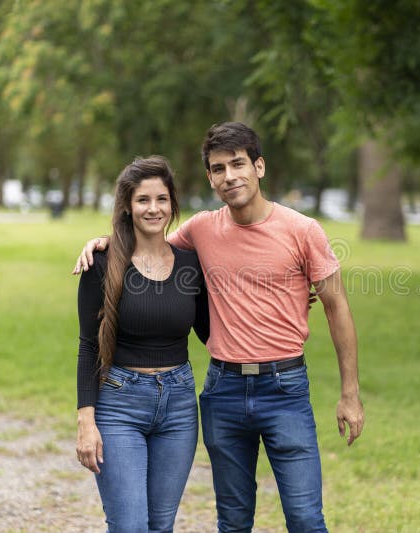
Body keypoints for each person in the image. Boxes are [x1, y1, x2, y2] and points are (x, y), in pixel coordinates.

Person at [74, 122, 364, 533]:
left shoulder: (303, 230)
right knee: (231, 522)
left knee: (304, 517)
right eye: (218, 168)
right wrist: (102, 243)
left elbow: (338, 308)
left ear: (259, 167)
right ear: (210, 177)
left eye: (239, 164)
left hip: (285, 389)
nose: (230, 176)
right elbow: (147, 242)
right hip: (223, 392)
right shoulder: (201, 230)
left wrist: (350, 394)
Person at [75, 156, 209, 532]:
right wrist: (86, 420)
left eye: (162, 199)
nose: (154, 208)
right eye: (143, 200)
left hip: (179, 407)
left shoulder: (189, 265)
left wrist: (285, 298)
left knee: (160, 525)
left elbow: (215, 332)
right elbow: (88, 346)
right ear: (127, 207)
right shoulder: (101, 264)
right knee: (129, 525)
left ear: (173, 204)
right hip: (119, 404)